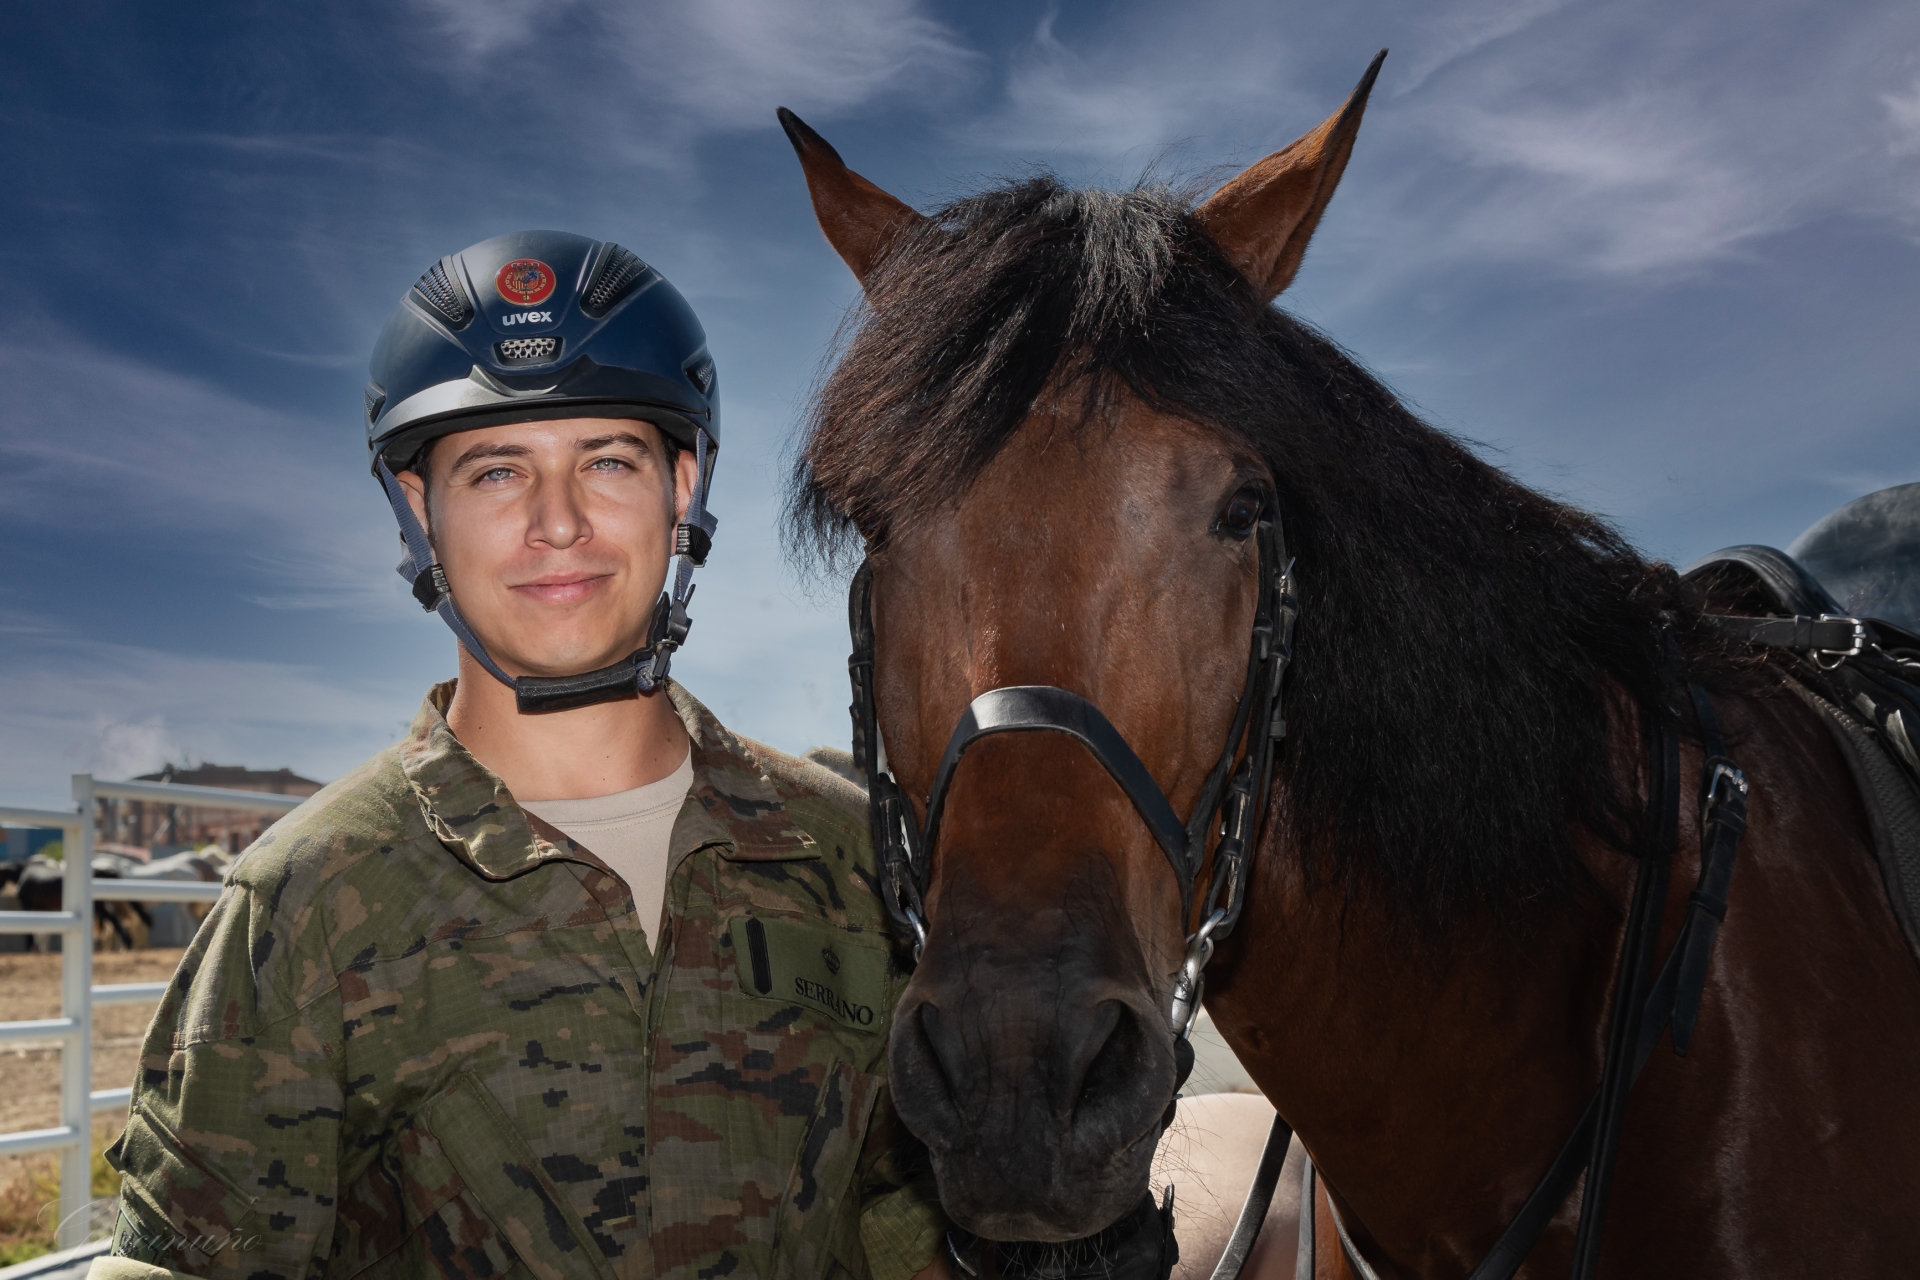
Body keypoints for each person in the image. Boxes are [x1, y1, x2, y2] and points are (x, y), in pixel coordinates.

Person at [95, 232, 947, 1280]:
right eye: (498, 470)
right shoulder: (303, 903)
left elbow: (915, 1229)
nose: (559, 523)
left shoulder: (851, 858)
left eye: (608, 460)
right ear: (421, 508)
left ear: (683, 485)